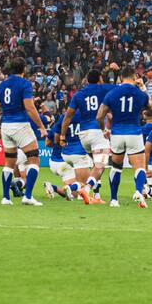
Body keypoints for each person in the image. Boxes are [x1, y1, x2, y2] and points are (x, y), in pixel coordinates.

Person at [0, 59, 44, 206]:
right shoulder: (25, 83)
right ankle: (28, 196)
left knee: (9, 163)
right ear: (24, 69)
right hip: (20, 124)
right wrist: (41, 126)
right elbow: (30, 107)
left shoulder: (2, 85)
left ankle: (6, 198)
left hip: (6, 125)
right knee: (34, 160)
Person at [96, 65, 151, 209]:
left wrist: (104, 129)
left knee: (116, 167)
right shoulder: (139, 93)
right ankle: (138, 191)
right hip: (134, 132)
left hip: (117, 134)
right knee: (139, 167)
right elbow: (151, 107)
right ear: (134, 77)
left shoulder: (112, 93)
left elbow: (99, 115)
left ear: (121, 77)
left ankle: (114, 200)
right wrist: (143, 87)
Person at [57, 68, 112, 203]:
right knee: (100, 165)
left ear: (87, 80)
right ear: (100, 79)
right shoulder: (103, 88)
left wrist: (63, 136)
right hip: (97, 132)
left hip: (84, 135)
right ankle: (86, 190)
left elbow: (68, 116)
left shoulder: (78, 94)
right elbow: (124, 87)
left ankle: (93, 194)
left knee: (97, 166)